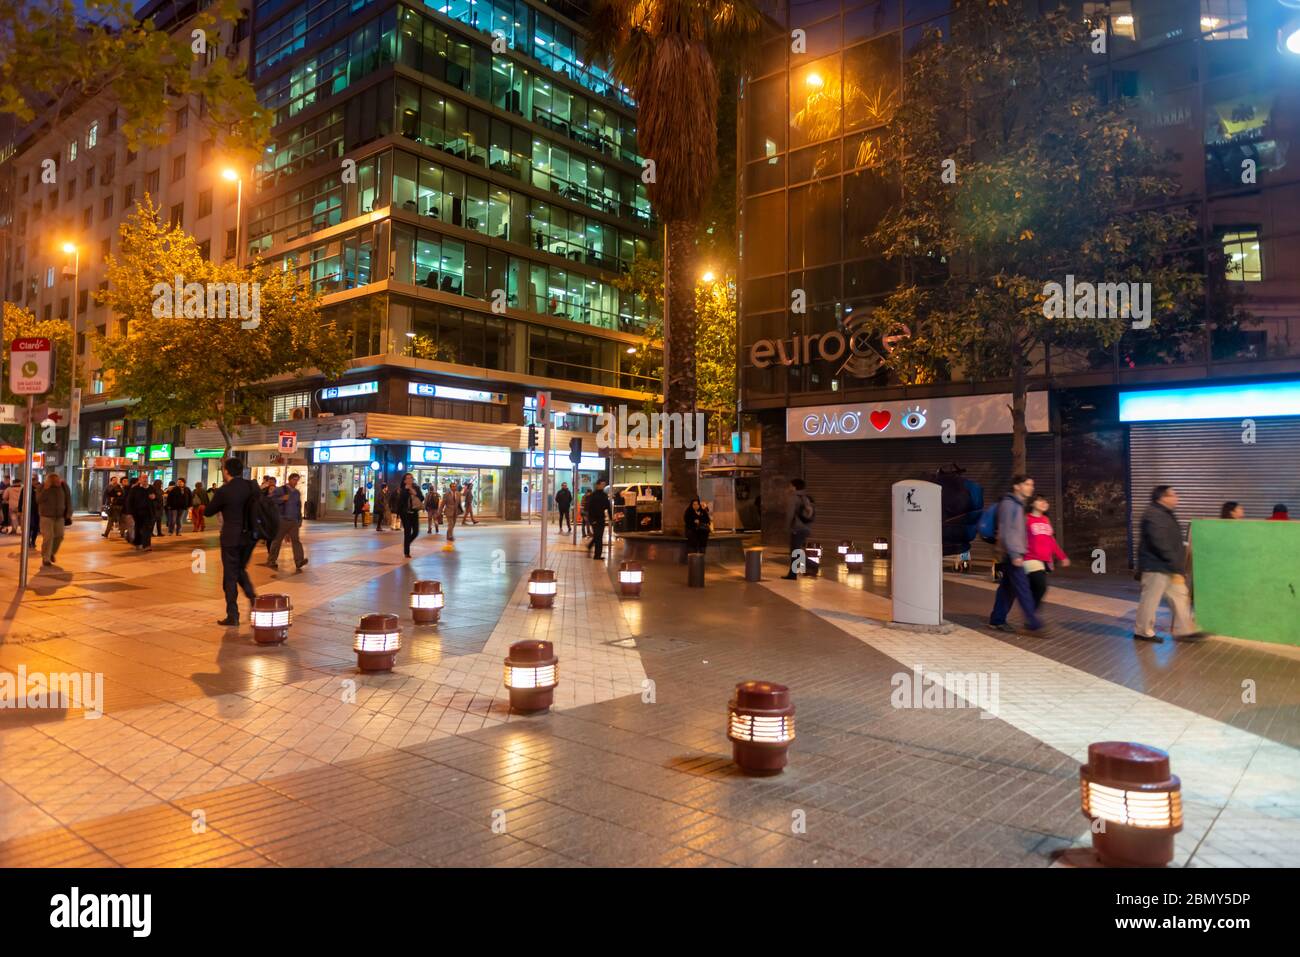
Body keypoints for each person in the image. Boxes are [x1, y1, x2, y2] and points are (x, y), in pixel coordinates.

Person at [1134, 485, 1206, 643]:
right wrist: (1175, 563)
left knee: (1180, 596)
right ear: (1162, 497)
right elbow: (1159, 542)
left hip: (1168, 566)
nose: (1176, 498)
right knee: (1150, 601)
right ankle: (1142, 631)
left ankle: (1184, 631)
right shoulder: (1153, 514)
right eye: (1173, 495)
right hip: (1156, 567)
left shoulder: (1164, 513)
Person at [205, 457, 258, 626]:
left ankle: (233, 614)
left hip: (230, 538)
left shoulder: (224, 491)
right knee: (239, 570)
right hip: (249, 537)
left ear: (226, 471)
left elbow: (208, 511)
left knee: (230, 575)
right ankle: (253, 599)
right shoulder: (251, 487)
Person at [988, 475, 1044, 634]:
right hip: (1012, 554)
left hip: (1015, 553)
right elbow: (1006, 532)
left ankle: (996, 620)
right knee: (1023, 589)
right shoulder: (1008, 504)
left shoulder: (1017, 505)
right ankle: (1034, 623)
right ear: (1017, 486)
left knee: (1007, 589)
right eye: (1027, 484)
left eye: (1032, 485)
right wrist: (1014, 554)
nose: (1031, 488)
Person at [1024, 494, 1069, 609]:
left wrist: (1062, 557)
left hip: (1044, 561)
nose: (1044, 503)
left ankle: (1030, 612)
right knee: (1041, 587)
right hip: (1030, 558)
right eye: (1040, 501)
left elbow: (1051, 541)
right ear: (1032, 503)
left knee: (1035, 588)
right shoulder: (1026, 519)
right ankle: (1031, 613)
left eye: (1046, 502)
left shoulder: (1046, 520)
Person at [268, 472, 309, 570]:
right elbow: (270, 500)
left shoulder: (296, 493)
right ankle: (271, 560)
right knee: (277, 541)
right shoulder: (281, 490)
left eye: (297, 480)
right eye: (294, 480)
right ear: (289, 479)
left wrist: (299, 519)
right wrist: (281, 499)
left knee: (296, 541)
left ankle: (299, 561)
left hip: (293, 521)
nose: (295, 482)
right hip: (282, 519)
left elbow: (298, 506)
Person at [36, 472, 72, 567]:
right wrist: (46, 490)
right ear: (49, 480)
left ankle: (51, 552)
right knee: (48, 537)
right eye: (54, 480)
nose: (57, 482)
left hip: (59, 516)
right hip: (46, 516)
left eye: (57, 479)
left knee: (60, 536)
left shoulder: (63, 486)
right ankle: (46, 558)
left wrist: (69, 512)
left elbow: (68, 499)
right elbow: (38, 500)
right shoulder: (42, 487)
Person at [782, 478, 815, 580]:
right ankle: (792, 574)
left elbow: (790, 514)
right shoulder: (806, 497)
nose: (789, 488)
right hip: (805, 528)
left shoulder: (793, 498)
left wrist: (787, 527)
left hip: (797, 528)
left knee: (795, 552)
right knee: (796, 551)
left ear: (794, 487)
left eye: (790, 485)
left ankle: (813, 565)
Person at [396, 473, 424, 557]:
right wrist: (406, 490)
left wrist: (414, 492)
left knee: (416, 532)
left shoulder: (416, 488)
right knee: (407, 532)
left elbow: (422, 498)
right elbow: (401, 501)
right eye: (407, 478)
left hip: (414, 512)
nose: (409, 479)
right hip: (405, 513)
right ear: (404, 481)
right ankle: (406, 552)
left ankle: (407, 543)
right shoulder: (401, 489)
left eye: (411, 478)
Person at [126, 473, 156, 550]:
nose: (145, 479)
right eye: (143, 478)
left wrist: (154, 497)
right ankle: (138, 542)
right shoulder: (135, 489)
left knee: (147, 529)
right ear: (139, 479)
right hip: (137, 513)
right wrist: (129, 513)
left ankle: (147, 545)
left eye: (146, 478)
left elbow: (158, 499)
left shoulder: (152, 488)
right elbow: (129, 501)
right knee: (138, 528)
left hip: (149, 512)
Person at [585, 479, 613, 560]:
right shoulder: (593, 495)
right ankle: (597, 555)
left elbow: (608, 507)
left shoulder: (604, 495)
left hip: (601, 519)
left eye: (604, 484)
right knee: (598, 537)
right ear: (597, 485)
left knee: (598, 536)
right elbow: (589, 508)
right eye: (602, 484)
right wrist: (591, 519)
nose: (603, 486)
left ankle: (592, 548)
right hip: (594, 519)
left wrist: (610, 517)